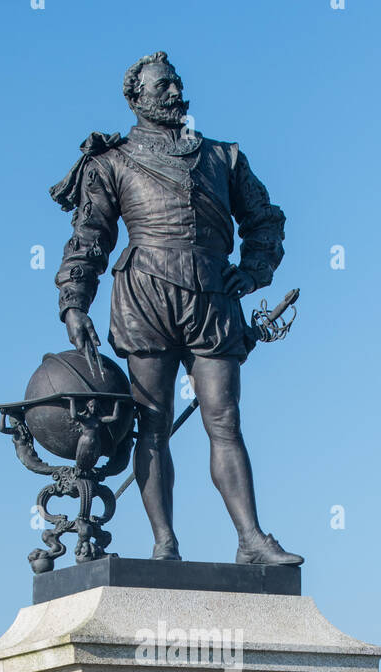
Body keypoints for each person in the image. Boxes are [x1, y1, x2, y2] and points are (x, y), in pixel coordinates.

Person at [51, 51, 303, 567]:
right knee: (153, 424)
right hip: (145, 296)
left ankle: (251, 538)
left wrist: (253, 271)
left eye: (176, 83)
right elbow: (89, 238)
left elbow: (266, 222)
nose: (173, 92)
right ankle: (165, 543)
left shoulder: (224, 156)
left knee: (225, 420)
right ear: (136, 97)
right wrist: (75, 303)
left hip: (212, 297)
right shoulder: (111, 161)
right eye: (162, 85)